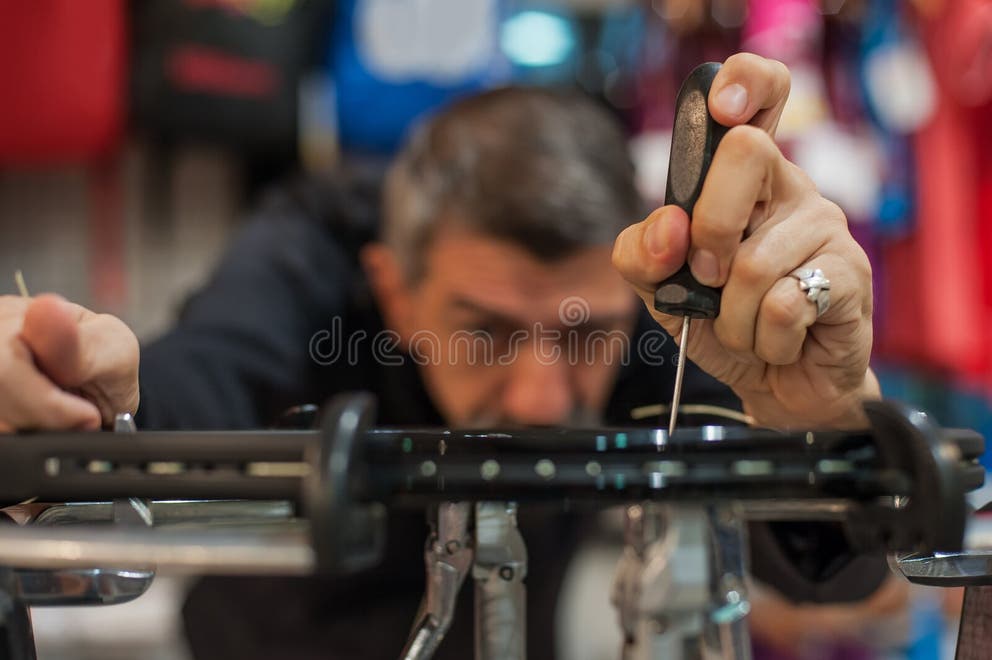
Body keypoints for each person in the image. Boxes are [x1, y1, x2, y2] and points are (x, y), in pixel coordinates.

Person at [0, 54, 883, 658]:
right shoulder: (306, 262)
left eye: (582, 338)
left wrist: (823, 419)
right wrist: (64, 399)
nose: (543, 396)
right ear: (391, 286)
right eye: (486, 331)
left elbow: (831, 574)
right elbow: (175, 397)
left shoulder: (636, 307)